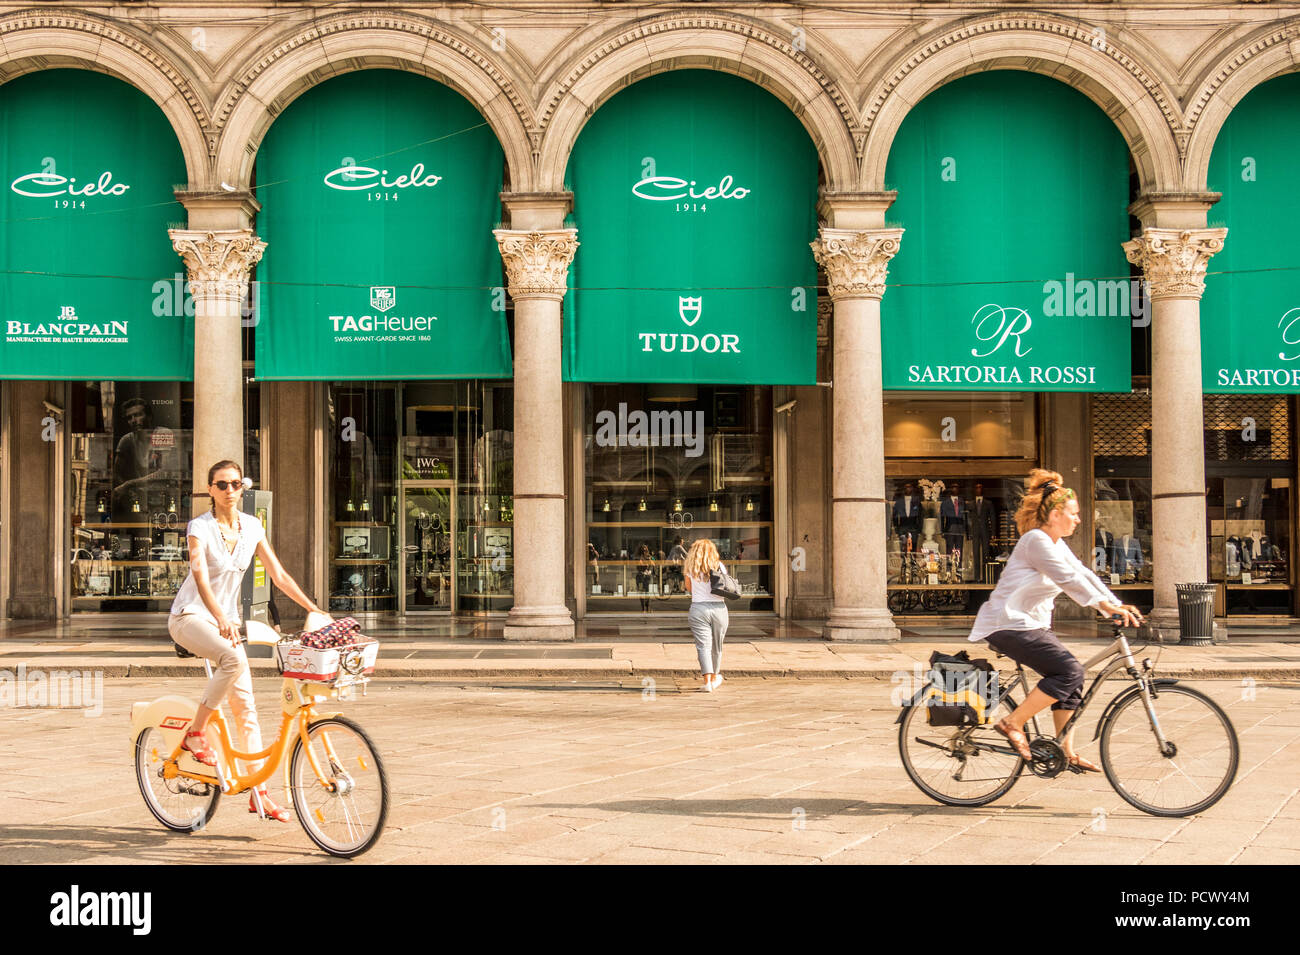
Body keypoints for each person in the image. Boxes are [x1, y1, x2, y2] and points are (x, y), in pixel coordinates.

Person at [169, 460, 328, 822]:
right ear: (210, 489)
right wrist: (221, 616)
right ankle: (195, 733)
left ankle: (260, 794)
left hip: (226, 624)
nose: (229, 490)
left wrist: (315, 609)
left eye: (235, 484)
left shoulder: (253, 527)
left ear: (244, 489)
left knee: (247, 710)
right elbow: (200, 576)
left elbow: (279, 575)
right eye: (221, 484)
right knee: (235, 660)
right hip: (190, 617)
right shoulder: (199, 527)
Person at [969, 469, 1142, 772]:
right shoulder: (1035, 540)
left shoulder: (1054, 542)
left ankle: (1065, 751)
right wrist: (1104, 606)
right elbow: (1067, 580)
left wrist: (1114, 604)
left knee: (1072, 682)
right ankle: (1012, 722)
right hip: (1007, 623)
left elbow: (1083, 574)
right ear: (1054, 514)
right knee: (1069, 671)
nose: (1078, 519)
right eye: (1073, 514)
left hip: (1028, 624)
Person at [683, 538, 729, 692]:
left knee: (703, 646)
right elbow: (725, 586)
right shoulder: (719, 566)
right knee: (717, 646)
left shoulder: (690, 567)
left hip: (698, 608)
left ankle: (707, 682)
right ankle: (715, 677)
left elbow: (689, 588)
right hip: (719, 609)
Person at [635, 543, 655, 612]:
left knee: (647, 592)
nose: (645, 552)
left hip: (647, 577)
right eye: (643, 550)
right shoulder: (638, 557)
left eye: (646, 550)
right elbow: (638, 566)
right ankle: (644, 608)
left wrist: (650, 560)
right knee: (642, 592)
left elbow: (654, 563)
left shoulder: (650, 556)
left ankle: (647, 607)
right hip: (640, 577)